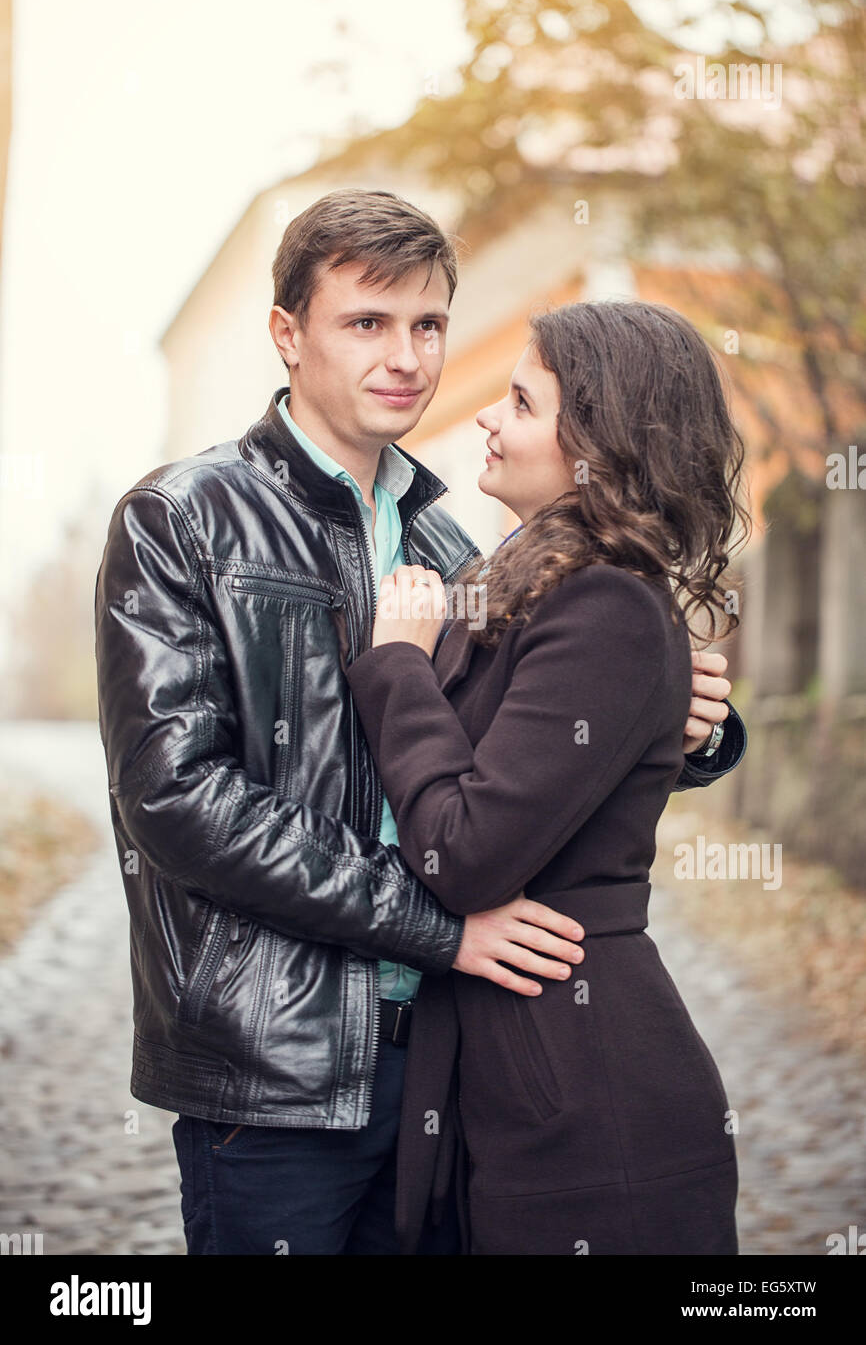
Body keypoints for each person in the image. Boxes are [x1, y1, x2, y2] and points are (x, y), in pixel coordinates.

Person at [94, 189, 746, 1256]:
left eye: (427, 324)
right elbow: (179, 802)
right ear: (287, 335)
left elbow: (531, 756)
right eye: (365, 323)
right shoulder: (183, 519)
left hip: (454, 1065)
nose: (404, 356)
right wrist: (437, 928)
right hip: (278, 1067)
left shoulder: (460, 547)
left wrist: (699, 732)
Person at [344, 298, 751, 1255]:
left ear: (597, 449)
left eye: (520, 403)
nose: (487, 415)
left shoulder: (604, 601)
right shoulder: (524, 577)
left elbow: (468, 851)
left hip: (586, 1099)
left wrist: (397, 663)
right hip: (507, 1077)